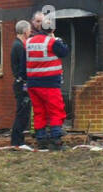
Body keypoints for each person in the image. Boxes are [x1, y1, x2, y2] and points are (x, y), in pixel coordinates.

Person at [26, 10, 69, 151]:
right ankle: (56, 140)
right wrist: (57, 40)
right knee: (56, 110)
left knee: (39, 111)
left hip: (33, 83)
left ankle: (41, 139)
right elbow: (64, 52)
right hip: (49, 84)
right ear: (52, 29)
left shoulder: (29, 42)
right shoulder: (52, 42)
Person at [9, 20, 32, 147]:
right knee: (22, 113)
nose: (30, 32)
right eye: (29, 30)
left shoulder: (16, 45)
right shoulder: (19, 47)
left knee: (23, 112)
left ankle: (18, 140)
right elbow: (23, 68)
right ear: (24, 31)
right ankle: (17, 141)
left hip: (20, 83)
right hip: (22, 85)